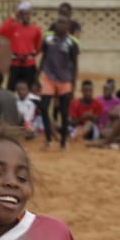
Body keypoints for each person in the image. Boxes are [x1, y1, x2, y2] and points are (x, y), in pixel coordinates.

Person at [37, 18, 80, 150]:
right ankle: (48, 139)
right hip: (48, 77)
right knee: (44, 108)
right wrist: (37, 74)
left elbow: (75, 64)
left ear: (68, 26)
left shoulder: (71, 43)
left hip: (65, 79)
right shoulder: (48, 40)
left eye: (63, 22)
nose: (60, 25)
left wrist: (73, 83)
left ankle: (63, 142)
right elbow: (43, 57)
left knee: (64, 111)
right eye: (58, 22)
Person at [0, 1, 43, 92]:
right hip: (15, 64)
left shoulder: (36, 29)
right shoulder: (14, 28)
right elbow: (0, 31)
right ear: (20, 15)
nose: (25, 16)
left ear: (30, 15)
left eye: (27, 14)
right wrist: (12, 18)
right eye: (23, 14)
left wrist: (30, 55)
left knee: (30, 90)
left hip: (29, 64)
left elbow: (39, 47)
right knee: (10, 90)